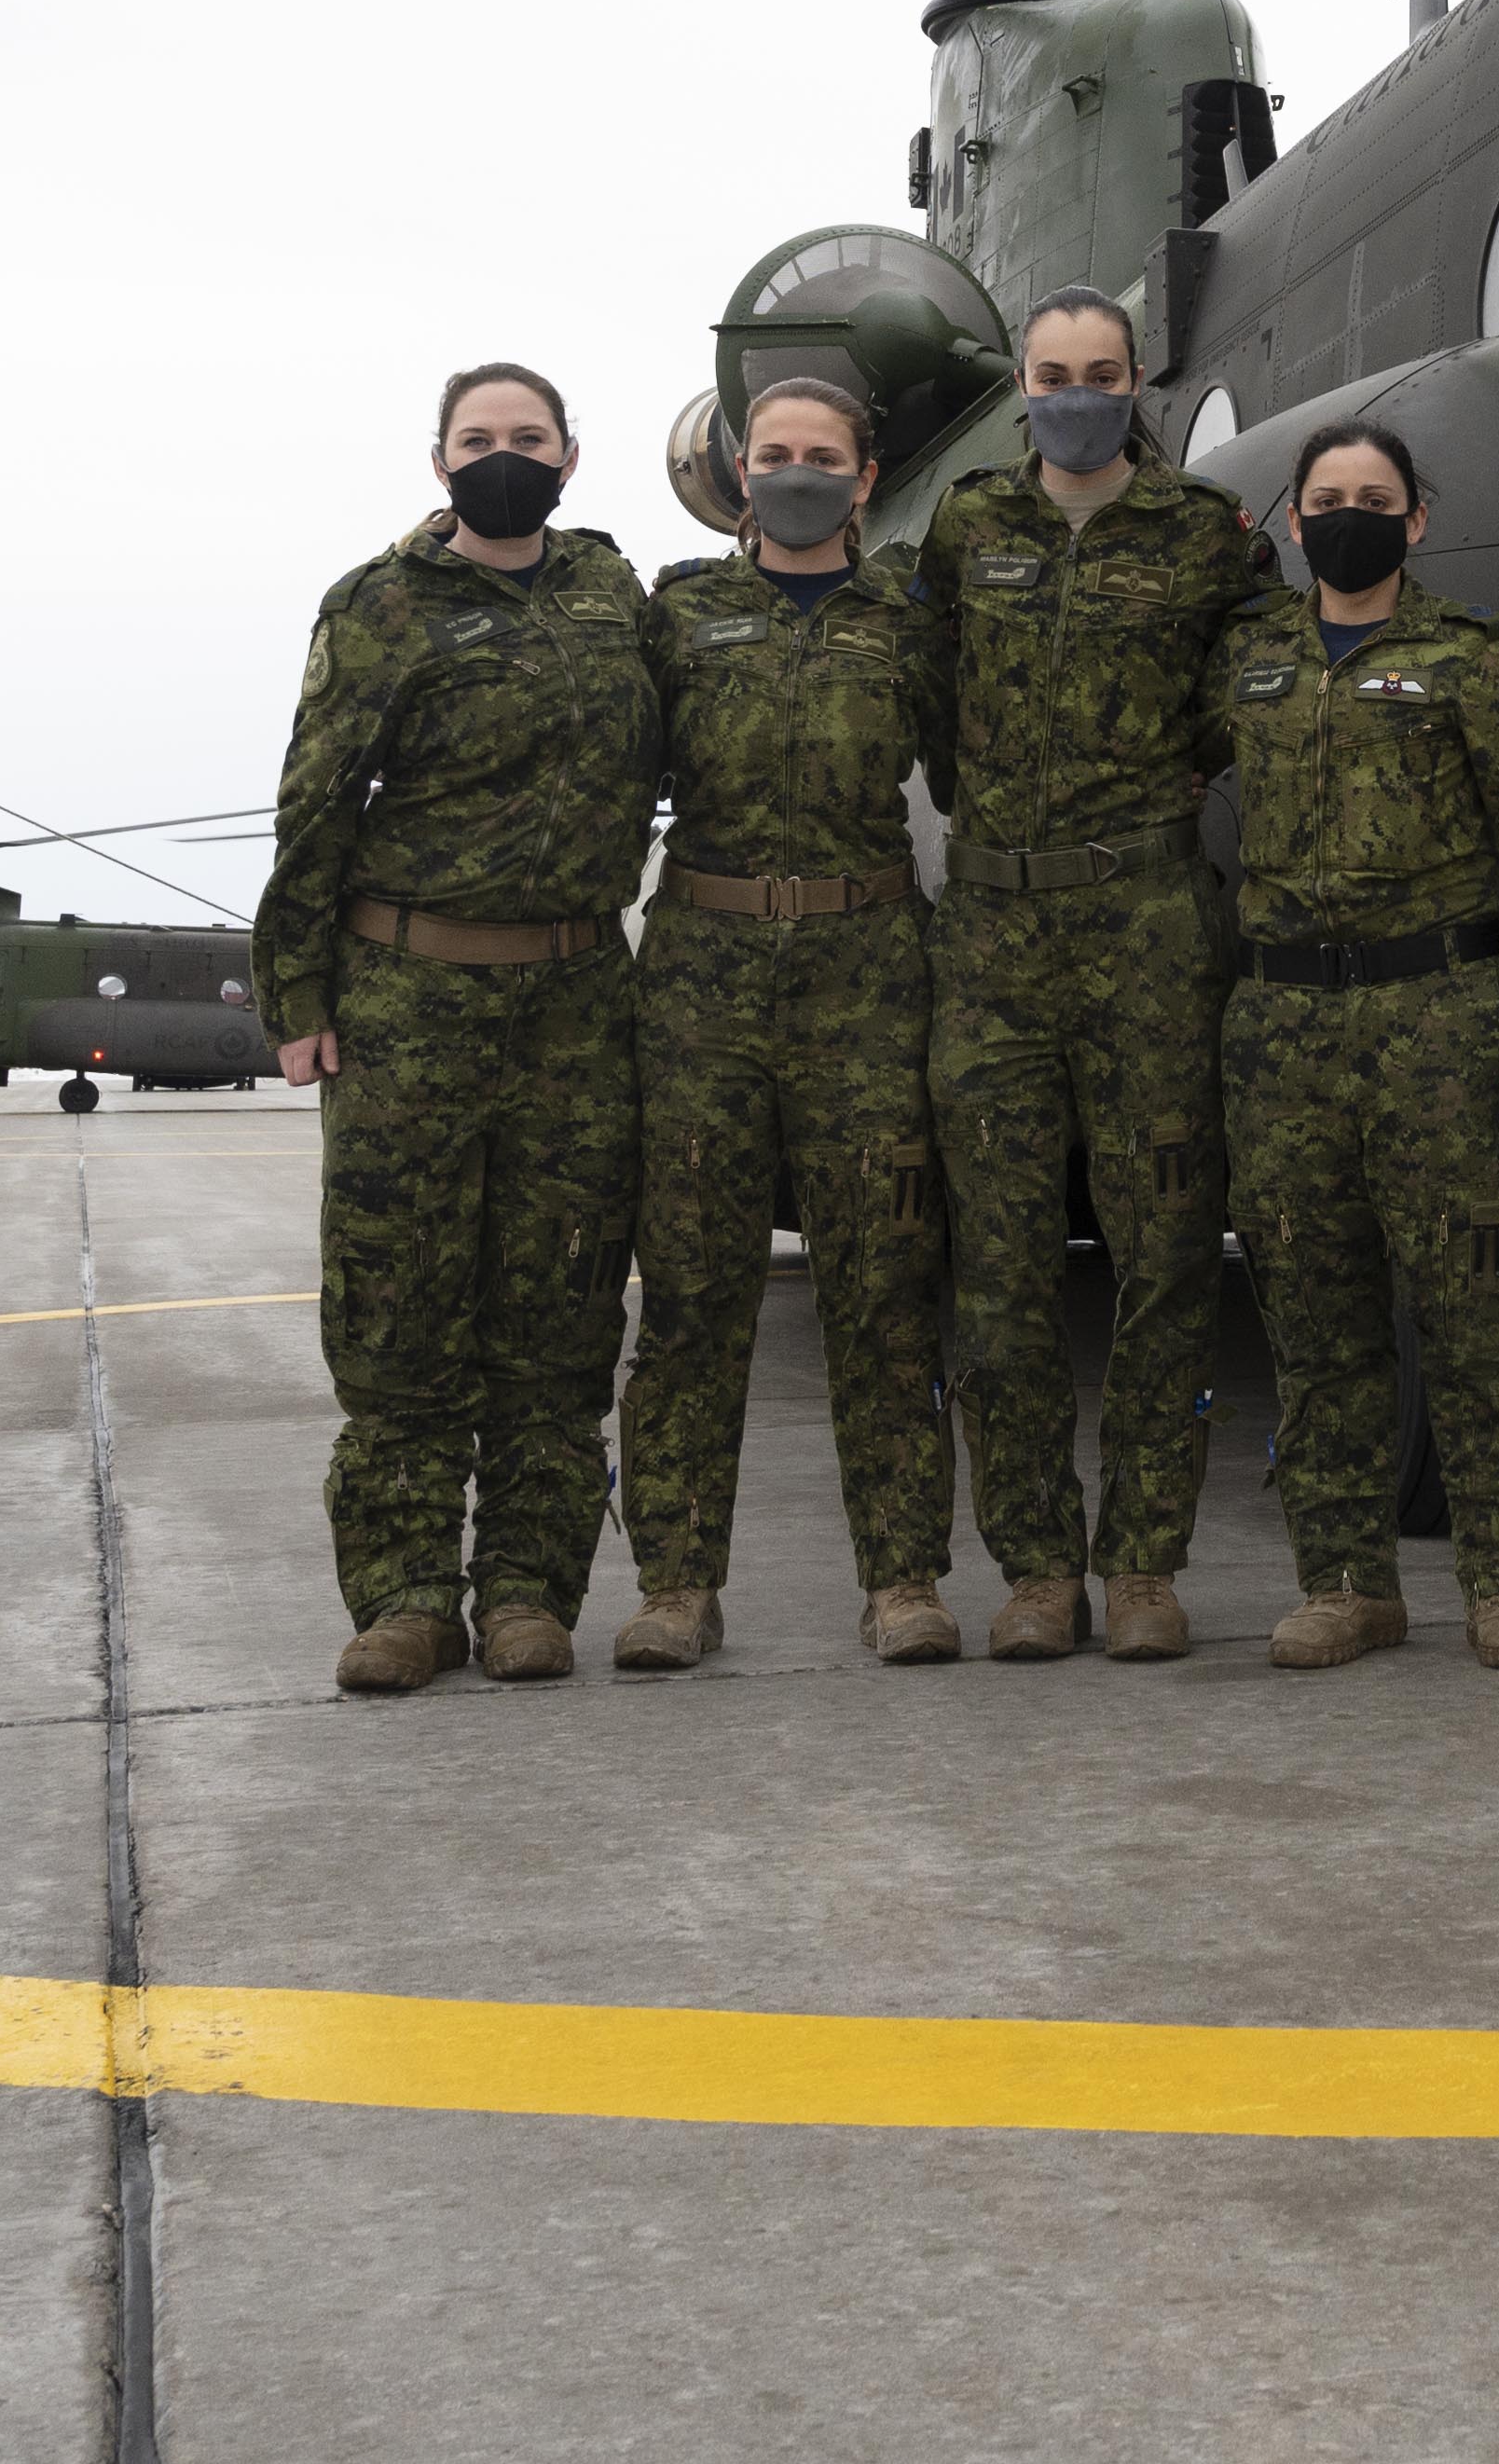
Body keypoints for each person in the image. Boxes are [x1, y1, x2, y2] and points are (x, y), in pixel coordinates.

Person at [258, 363, 653, 1696]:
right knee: (401, 1314)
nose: (505, 457)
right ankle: (408, 1597)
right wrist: (296, 996)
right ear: (439, 464)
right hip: (405, 995)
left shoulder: (613, 596)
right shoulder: (377, 605)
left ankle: (531, 1592)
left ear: (570, 457)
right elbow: (313, 804)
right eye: (479, 440)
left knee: (558, 1306)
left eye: (528, 438)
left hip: (575, 1002)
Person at [1203, 420, 1499, 1672]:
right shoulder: (1246, 658)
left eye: (1374, 498)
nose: (1349, 515)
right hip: (1283, 1032)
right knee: (1316, 1323)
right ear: (1291, 516)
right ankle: (1347, 1584)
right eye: (1326, 498)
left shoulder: (1473, 660)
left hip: (1443, 1017)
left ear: (1415, 521)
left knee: (1481, 1313)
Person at [912, 285, 1276, 1662]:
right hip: (995, 938)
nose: (1078, 393)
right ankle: (1034, 1570)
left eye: (1103, 372)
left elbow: (1248, 685)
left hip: (1151, 929)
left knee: (1169, 1258)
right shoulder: (968, 527)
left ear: (1138, 385)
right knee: (997, 1273)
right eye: (1054, 372)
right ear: (1022, 384)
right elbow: (937, 699)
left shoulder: (1201, 533)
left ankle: (1143, 1566)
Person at [612, 375, 965, 1671]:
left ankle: (905, 1580)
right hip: (703, 978)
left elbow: (999, 754)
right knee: (696, 1303)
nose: (798, 471)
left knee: (885, 1293)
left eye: (824, 455)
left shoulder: (912, 623)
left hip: (866, 974)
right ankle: (676, 1587)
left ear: (865, 478)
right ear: (738, 472)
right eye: (775, 454)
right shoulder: (677, 616)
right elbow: (597, 766)